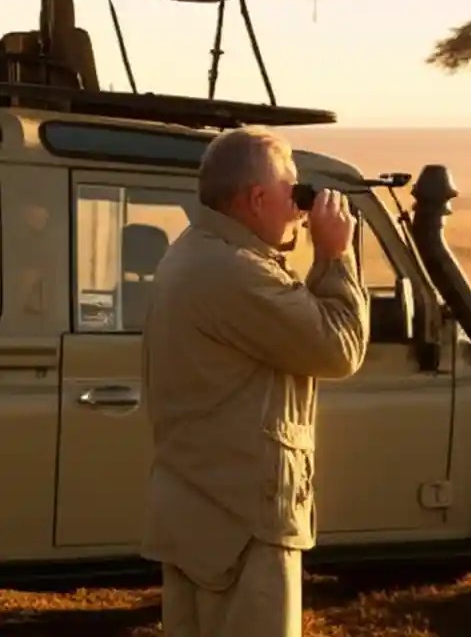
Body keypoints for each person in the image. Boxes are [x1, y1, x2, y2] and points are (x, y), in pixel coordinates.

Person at [140, 126, 370, 637]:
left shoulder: (194, 253)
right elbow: (340, 348)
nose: (299, 206)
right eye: (293, 191)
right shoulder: (236, 271)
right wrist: (335, 255)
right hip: (241, 523)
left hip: (201, 511)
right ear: (258, 199)